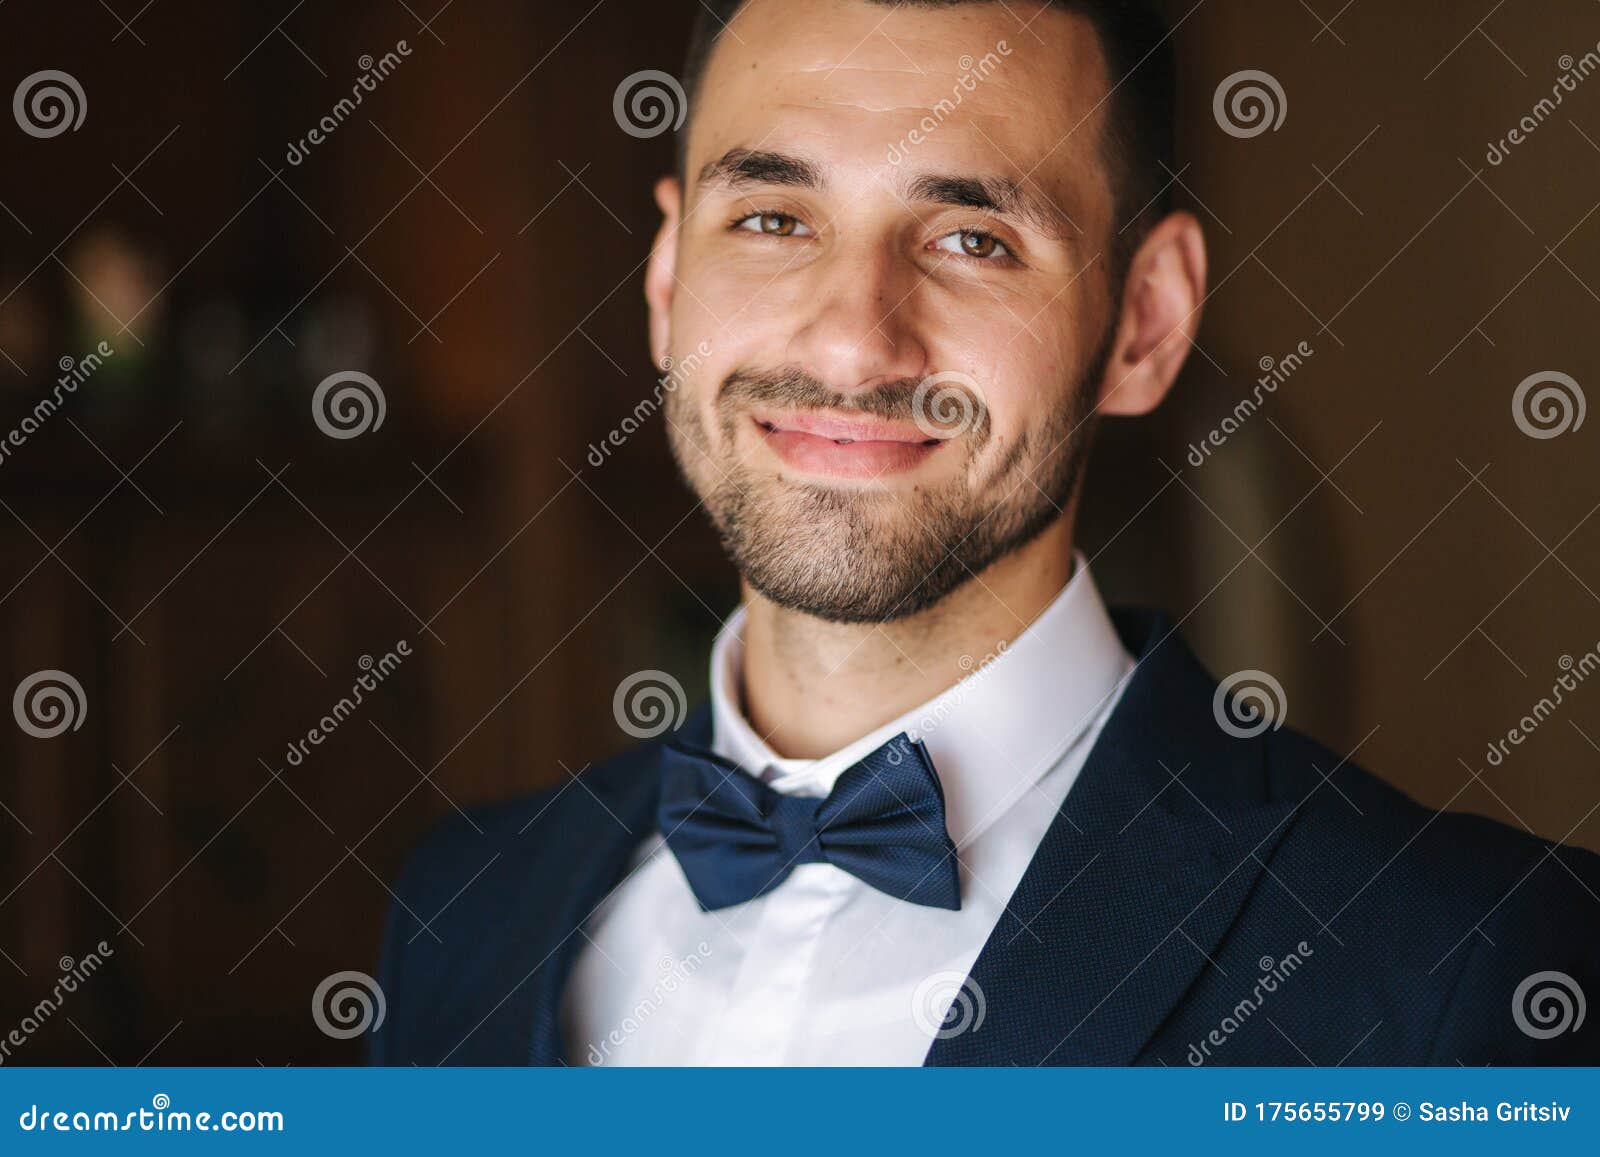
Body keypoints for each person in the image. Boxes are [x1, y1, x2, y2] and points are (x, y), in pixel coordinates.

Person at [370, 0, 1599, 1066]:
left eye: (973, 239)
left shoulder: (1462, 958)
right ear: (664, 275)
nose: (852, 341)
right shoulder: (464, 904)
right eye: (772, 219)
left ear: (1144, 321)